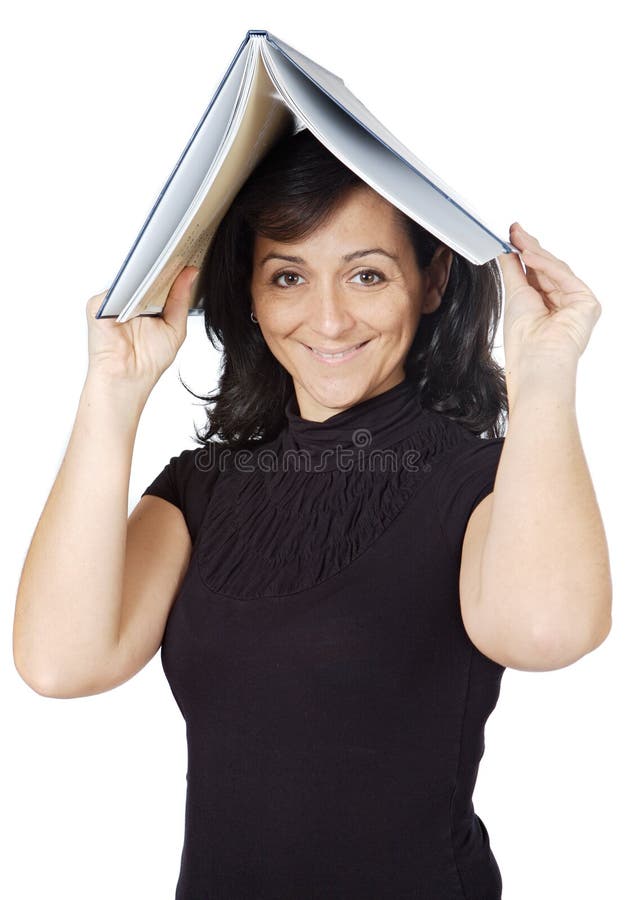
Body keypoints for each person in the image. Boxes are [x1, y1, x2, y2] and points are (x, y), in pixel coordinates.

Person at [13, 128, 612, 899]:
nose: (328, 321)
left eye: (366, 274)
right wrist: (112, 390)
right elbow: (62, 662)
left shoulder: (488, 481)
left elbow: (547, 631)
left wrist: (544, 372)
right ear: (252, 297)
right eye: (288, 277)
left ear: (431, 283)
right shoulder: (202, 488)